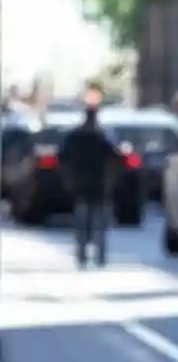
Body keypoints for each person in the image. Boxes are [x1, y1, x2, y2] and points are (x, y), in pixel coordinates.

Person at [59, 104, 122, 268]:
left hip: (84, 186)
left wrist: (69, 178)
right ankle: (96, 256)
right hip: (98, 186)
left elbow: (63, 157)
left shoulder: (77, 136)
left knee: (84, 223)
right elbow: (116, 158)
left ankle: (83, 256)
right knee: (97, 224)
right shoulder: (102, 137)